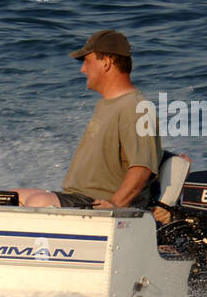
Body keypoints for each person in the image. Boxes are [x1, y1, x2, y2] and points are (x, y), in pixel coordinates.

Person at [16, 30, 161, 209]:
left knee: (39, 202)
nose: (82, 69)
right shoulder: (107, 105)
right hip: (79, 197)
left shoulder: (136, 107)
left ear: (106, 62)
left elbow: (142, 168)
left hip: (100, 203)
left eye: (86, 61)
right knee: (9, 197)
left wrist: (114, 205)